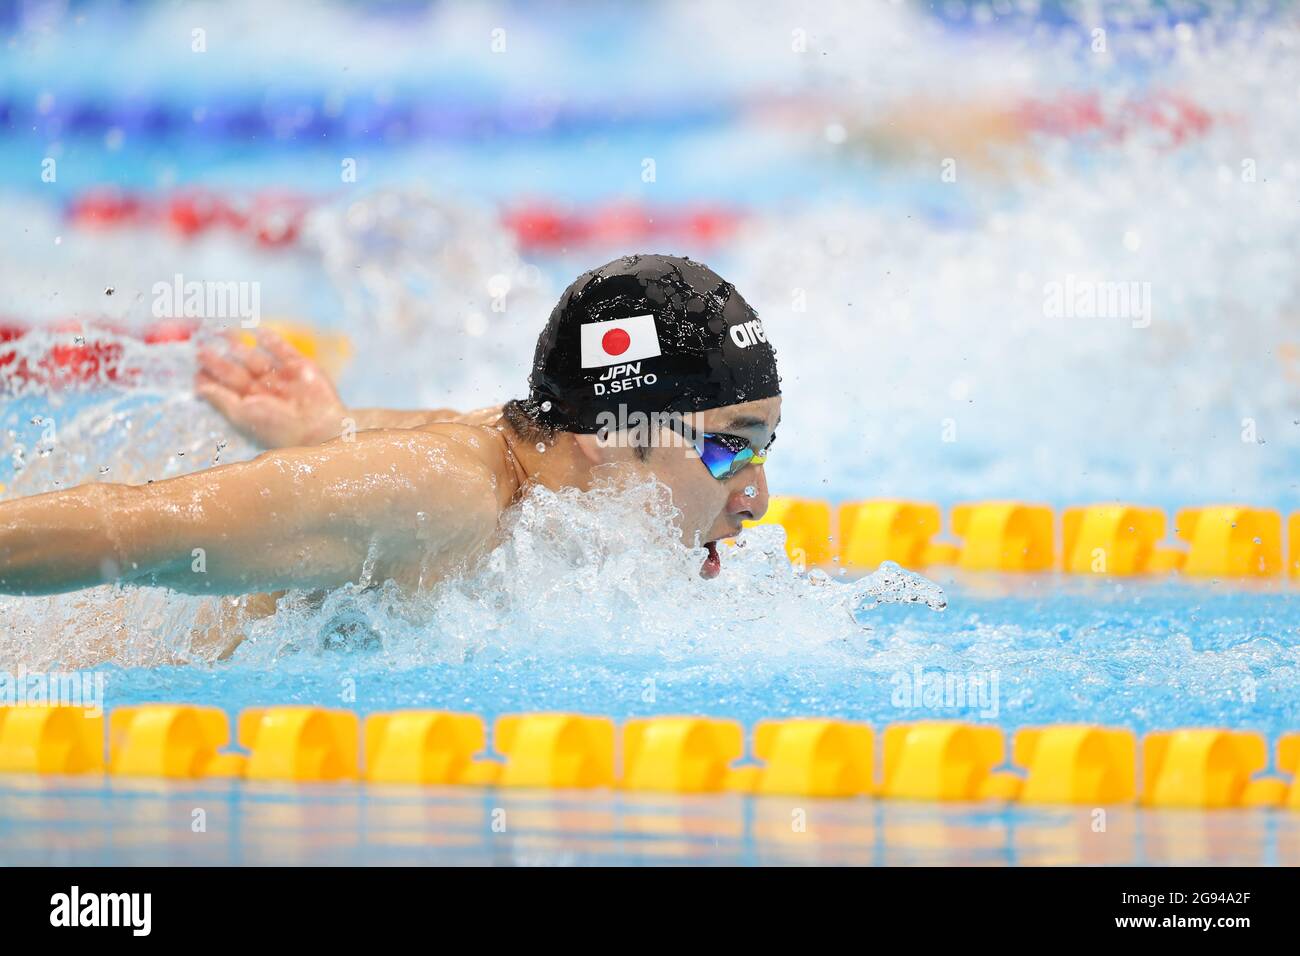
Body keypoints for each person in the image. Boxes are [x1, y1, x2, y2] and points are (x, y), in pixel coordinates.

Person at [0, 255, 781, 609]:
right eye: (728, 446)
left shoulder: (525, 467)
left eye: (763, 449)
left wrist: (330, 429)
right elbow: (133, 528)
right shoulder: (444, 496)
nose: (757, 500)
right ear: (607, 432)